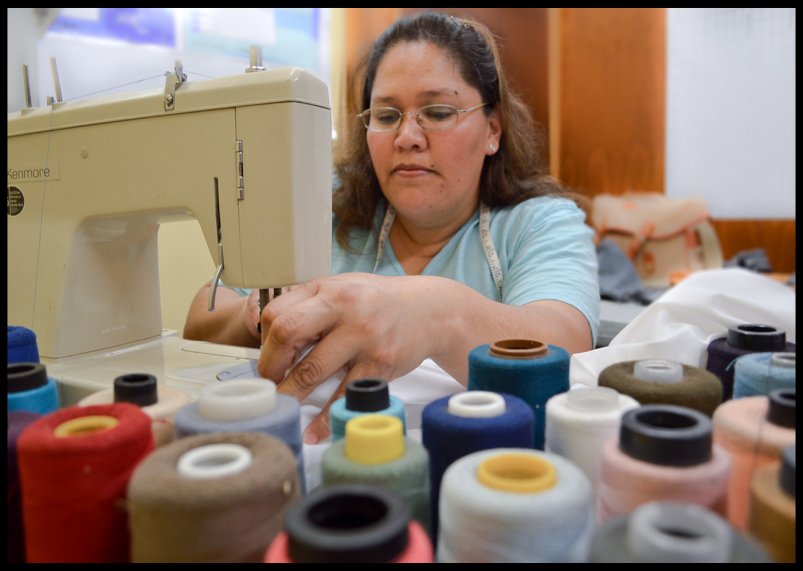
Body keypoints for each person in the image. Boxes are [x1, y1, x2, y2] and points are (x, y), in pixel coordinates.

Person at [184, 12, 600, 444]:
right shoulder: (323, 206)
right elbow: (200, 319)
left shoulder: (541, 221)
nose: (407, 137)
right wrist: (256, 310)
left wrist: (437, 314)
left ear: (493, 130)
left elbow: (565, 343)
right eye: (385, 116)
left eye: (437, 112)